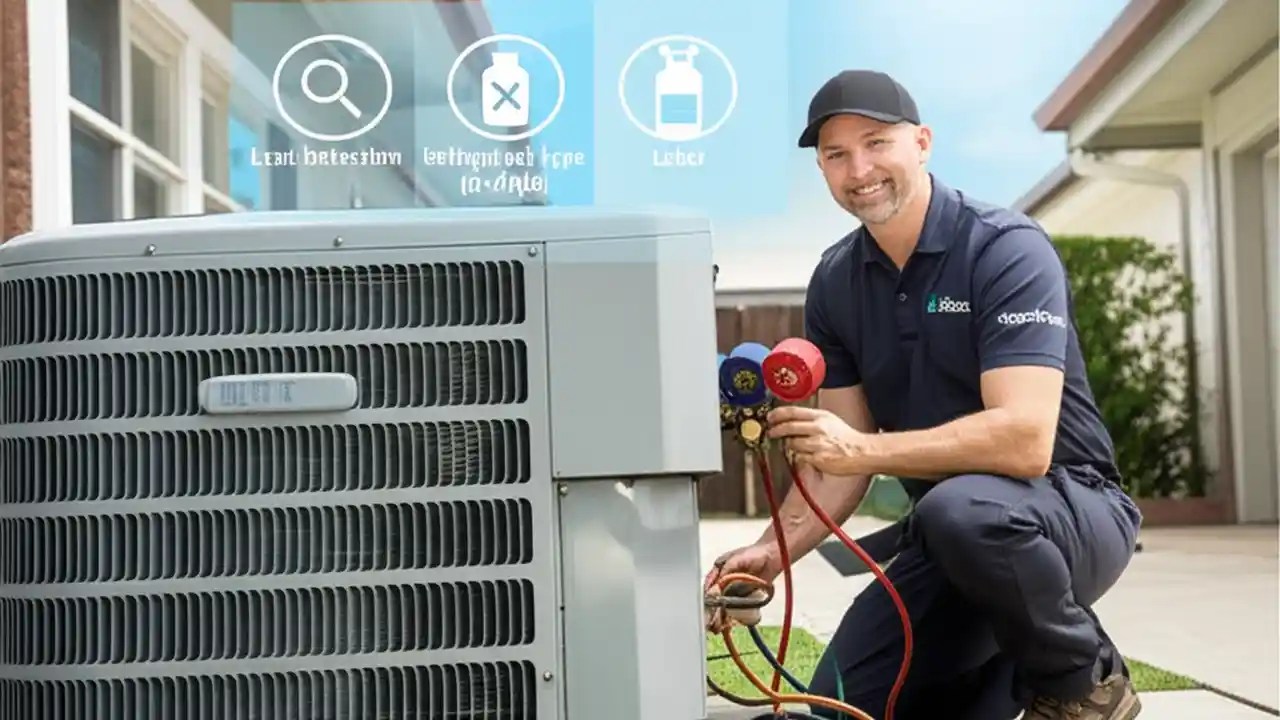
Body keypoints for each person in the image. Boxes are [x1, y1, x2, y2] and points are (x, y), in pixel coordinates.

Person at [703, 69, 1144, 720]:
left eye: (877, 142)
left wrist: (866, 451)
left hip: (1069, 511)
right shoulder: (835, 282)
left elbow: (1025, 441)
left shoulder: (1004, 249)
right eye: (836, 155)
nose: (859, 169)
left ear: (923, 143)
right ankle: (1005, 674)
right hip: (952, 536)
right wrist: (769, 552)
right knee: (839, 705)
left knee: (962, 511)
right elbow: (835, 458)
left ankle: (1086, 685)